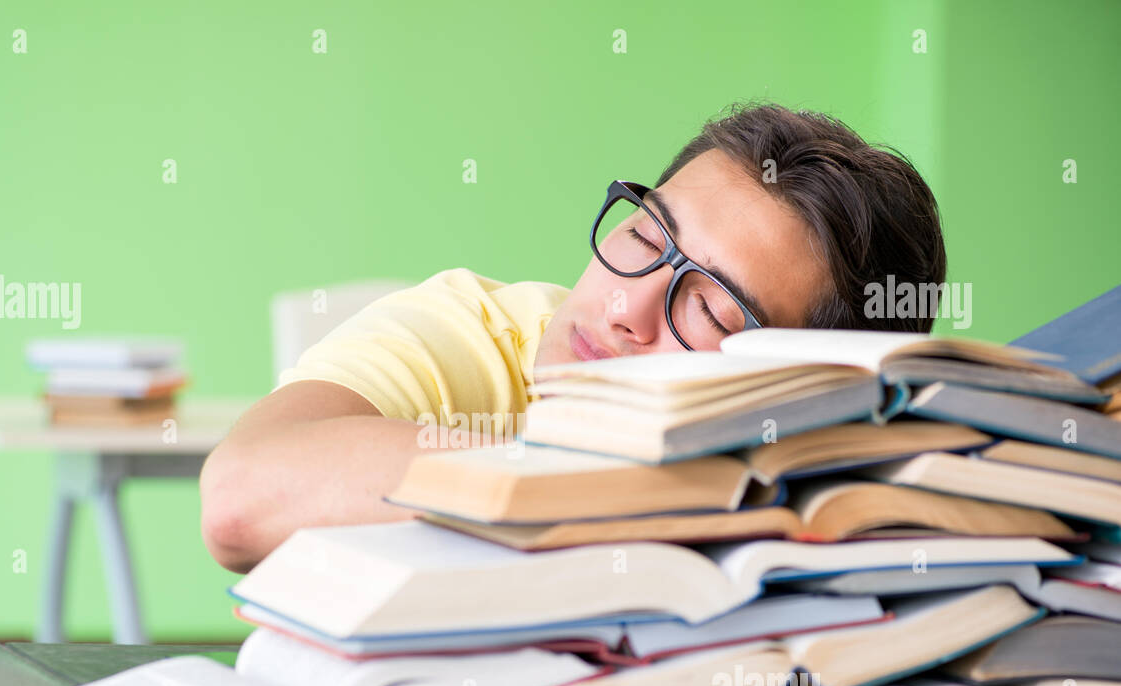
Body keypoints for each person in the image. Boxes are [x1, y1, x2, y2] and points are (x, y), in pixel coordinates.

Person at [200, 102, 947, 571]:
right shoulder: (474, 329)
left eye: (713, 311)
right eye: (642, 234)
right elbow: (240, 501)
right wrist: (627, 481)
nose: (627, 303)